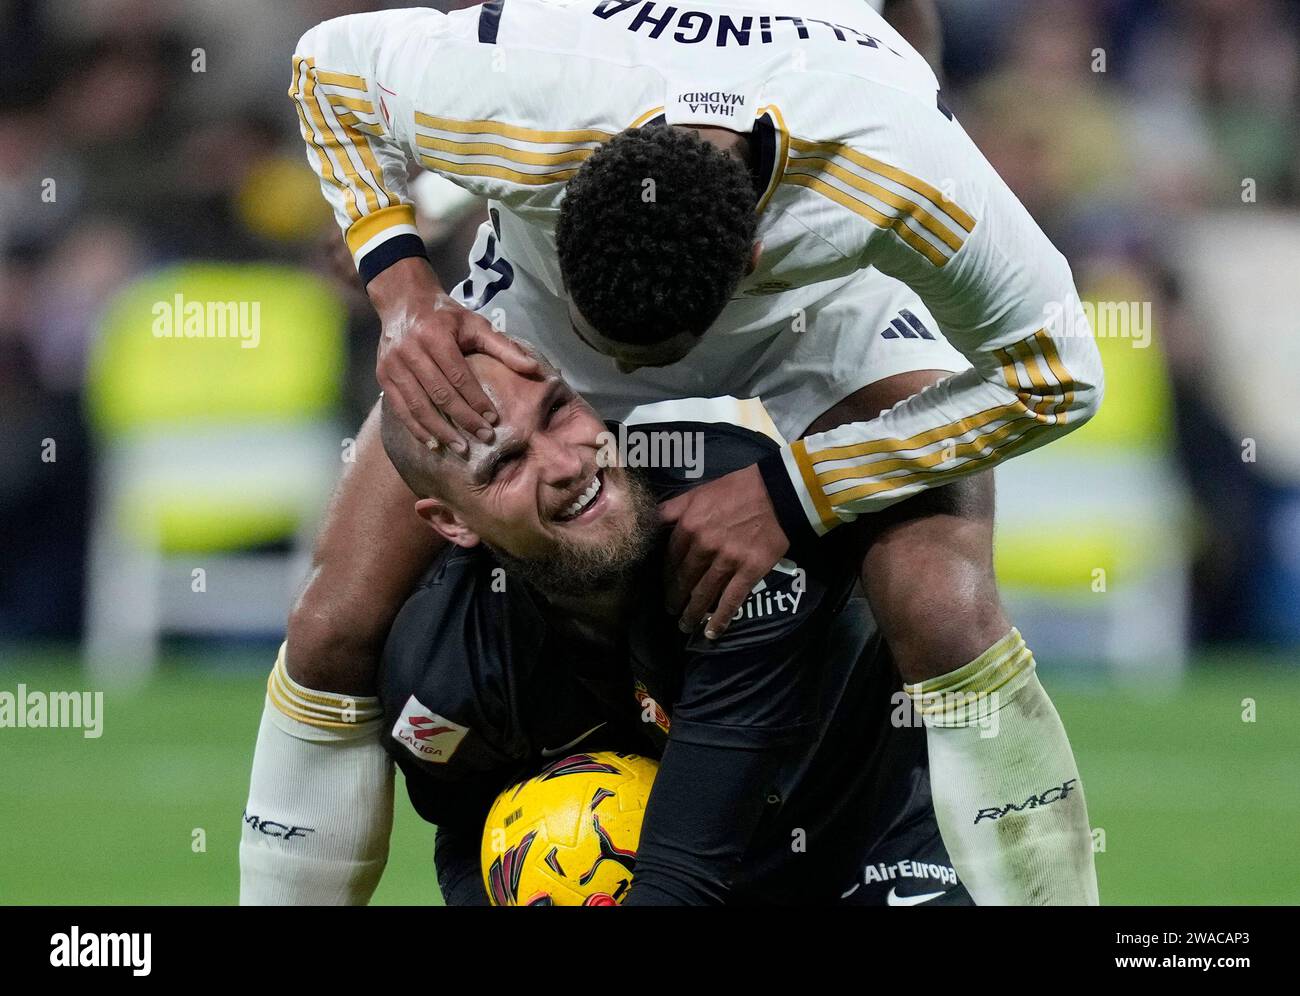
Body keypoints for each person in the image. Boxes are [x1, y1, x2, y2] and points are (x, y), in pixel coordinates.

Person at [240, 0, 1103, 905]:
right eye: (605, 357)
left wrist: (798, 491)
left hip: (830, 308)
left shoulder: (906, 174)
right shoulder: (521, 96)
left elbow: (1060, 378)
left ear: (754, 259)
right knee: (332, 626)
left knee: (943, 610)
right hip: (542, 306)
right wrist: (403, 288)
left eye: (642, 363)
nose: (619, 380)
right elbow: (327, 64)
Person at [376, 347, 976, 905]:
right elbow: (466, 832)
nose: (567, 463)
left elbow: (683, 877)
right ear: (452, 522)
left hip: (879, 837)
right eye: (507, 461)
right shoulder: (438, 675)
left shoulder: (738, 529)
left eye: (559, 411)